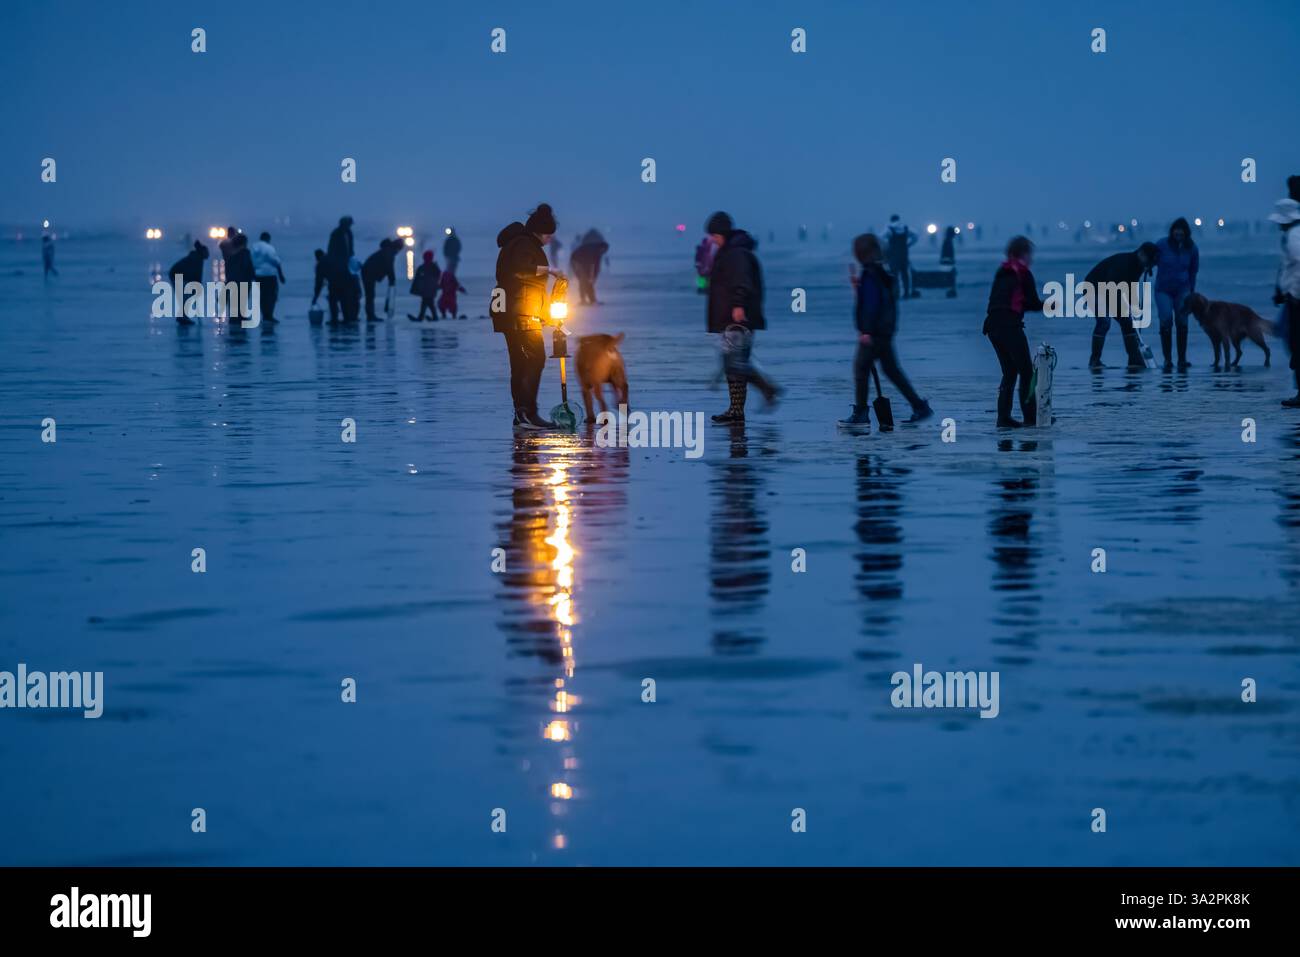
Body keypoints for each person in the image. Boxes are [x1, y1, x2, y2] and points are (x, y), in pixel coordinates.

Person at [839, 234, 933, 428]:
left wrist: (866, 331)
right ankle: (918, 405)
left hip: (875, 332)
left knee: (861, 368)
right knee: (891, 369)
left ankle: (861, 413)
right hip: (885, 330)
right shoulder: (881, 272)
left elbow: (871, 306)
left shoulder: (871, 274)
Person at [494, 203, 564, 429]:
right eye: (549, 235)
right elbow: (521, 270)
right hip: (519, 313)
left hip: (516, 312)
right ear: (540, 232)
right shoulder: (524, 244)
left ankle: (522, 414)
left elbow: (530, 286)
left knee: (522, 363)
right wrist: (550, 270)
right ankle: (527, 413)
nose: (550, 239)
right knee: (533, 360)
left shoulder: (521, 243)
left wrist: (546, 315)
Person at [704, 211, 779, 423]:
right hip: (732, 316)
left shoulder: (736, 254)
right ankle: (736, 410)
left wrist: (738, 304)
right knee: (734, 363)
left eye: (714, 235)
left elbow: (742, 281)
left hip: (737, 317)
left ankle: (767, 390)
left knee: (735, 363)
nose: (712, 239)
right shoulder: (731, 251)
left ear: (723, 233)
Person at [982, 235, 1045, 428]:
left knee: (1009, 372)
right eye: (1030, 253)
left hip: (992, 326)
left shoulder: (1002, 270)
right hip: (1009, 326)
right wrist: (1051, 304)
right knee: (1026, 372)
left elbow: (1007, 300)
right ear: (1024, 253)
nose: (1032, 258)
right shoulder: (1023, 273)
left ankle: (1003, 418)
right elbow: (1033, 303)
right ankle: (1031, 418)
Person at [1084, 242, 1159, 370]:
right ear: (1141, 253)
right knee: (1104, 321)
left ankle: (1134, 359)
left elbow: (1130, 286)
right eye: (1149, 261)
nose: (1149, 265)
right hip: (1094, 288)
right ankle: (1094, 360)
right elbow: (1112, 285)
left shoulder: (1140, 266)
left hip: (1110, 290)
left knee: (1128, 323)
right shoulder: (1124, 263)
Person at [1153, 218, 1199, 370]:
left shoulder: (1192, 248)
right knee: (1166, 320)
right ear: (1172, 231)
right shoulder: (1161, 245)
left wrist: (1192, 290)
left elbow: (1193, 271)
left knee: (1182, 322)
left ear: (1186, 232)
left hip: (1183, 290)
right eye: (1176, 229)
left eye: (1182, 230)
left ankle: (1182, 359)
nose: (1178, 232)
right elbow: (1150, 259)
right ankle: (1167, 359)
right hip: (1163, 290)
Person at [1269, 198, 1300, 407]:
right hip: (1293, 296)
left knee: (1294, 342)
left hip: (1296, 297)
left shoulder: (1293, 236)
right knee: (1291, 340)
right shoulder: (1293, 234)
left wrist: (1294, 294)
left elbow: (1298, 265)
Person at [326, 216, 360, 323]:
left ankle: (347, 315)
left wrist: (352, 262)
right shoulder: (336, 234)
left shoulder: (349, 233)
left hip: (346, 267)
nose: (349, 226)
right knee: (334, 293)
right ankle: (334, 317)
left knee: (346, 293)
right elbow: (332, 251)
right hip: (336, 268)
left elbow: (350, 250)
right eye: (348, 224)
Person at [167, 240, 209, 324]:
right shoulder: (196, 259)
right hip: (178, 276)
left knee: (187, 296)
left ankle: (183, 316)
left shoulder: (197, 257)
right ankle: (182, 317)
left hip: (181, 276)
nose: (208, 255)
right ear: (203, 252)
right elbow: (196, 275)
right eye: (207, 253)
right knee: (187, 296)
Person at [250, 232, 287, 324]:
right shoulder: (268, 248)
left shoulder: (253, 248)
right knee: (272, 295)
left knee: (262, 296)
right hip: (269, 275)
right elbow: (276, 261)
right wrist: (281, 275)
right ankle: (269, 316)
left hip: (258, 275)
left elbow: (251, 262)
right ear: (268, 238)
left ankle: (265, 316)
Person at [361, 238, 401, 322]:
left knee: (370, 295)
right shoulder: (389, 252)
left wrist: (391, 278)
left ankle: (371, 315)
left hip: (368, 272)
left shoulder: (387, 251)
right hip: (369, 272)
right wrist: (392, 278)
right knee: (370, 295)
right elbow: (389, 266)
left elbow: (388, 266)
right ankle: (370, 316)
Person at [569, 228, 609, 305]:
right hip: (576, 260)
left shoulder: (598, 251)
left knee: (587, 281)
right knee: (584, 281)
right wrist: (591, 276)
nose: (603, 253)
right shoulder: (593, 250)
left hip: (582, 262)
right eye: (603, 251)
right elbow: (591, 264)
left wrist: (593, 276)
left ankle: (591, 300)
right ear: (602, 248)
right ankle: (584, 300)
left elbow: (596, 265)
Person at [884, 214, 917, 299]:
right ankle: (906, 293)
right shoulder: (906, 229)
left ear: (891, 220)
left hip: (894, 257)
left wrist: (886, 247)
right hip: (904, 256)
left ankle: (896, 293)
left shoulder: (889, 229)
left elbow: (881, 237)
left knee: (894, 275)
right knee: (905, 275)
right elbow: (916, 236)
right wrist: (909, 244)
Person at [407, 250, 441, 321]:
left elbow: (437, 276)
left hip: (429, 290)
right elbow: (418, 278)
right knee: (428, 303)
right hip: (426, 290)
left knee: (426, 302)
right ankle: (432, 317)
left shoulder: (432, 267)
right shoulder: (426, 267)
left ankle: (423, 317)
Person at [311, 248, 330, 314]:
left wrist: (315, 297)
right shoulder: (326, 259)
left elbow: (319, 281)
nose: (315, 258)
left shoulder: (321, 264)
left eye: (316, 256)